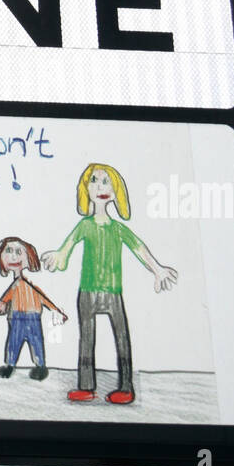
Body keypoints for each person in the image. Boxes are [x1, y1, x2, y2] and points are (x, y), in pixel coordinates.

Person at [41, 164, 178, 405]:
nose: (101, 187)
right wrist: (59, 256)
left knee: (122, 338)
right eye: (94, 181)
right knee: (86, 338)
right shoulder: (85, 225)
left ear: (116, 192)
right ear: (86, 189)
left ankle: (126, 388)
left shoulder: (119, 229)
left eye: (107, 183)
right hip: (87, 291)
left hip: (113, 292)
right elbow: (68, 247)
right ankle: (86, 386)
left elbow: (139, 249)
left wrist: (157, 269)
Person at [0, 236, 67, 381]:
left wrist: (56, 311)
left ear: (29, 256)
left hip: (33, 317)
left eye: (19, 252)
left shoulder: (32, 282)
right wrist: (2, 302)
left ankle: (40, 366)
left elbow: (44, 298)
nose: (13, 256)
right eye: (9, 251)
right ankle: (10, 365)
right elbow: (7, 297)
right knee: (13, 342)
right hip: (16, 317)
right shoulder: (16, 284)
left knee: (36, 342)